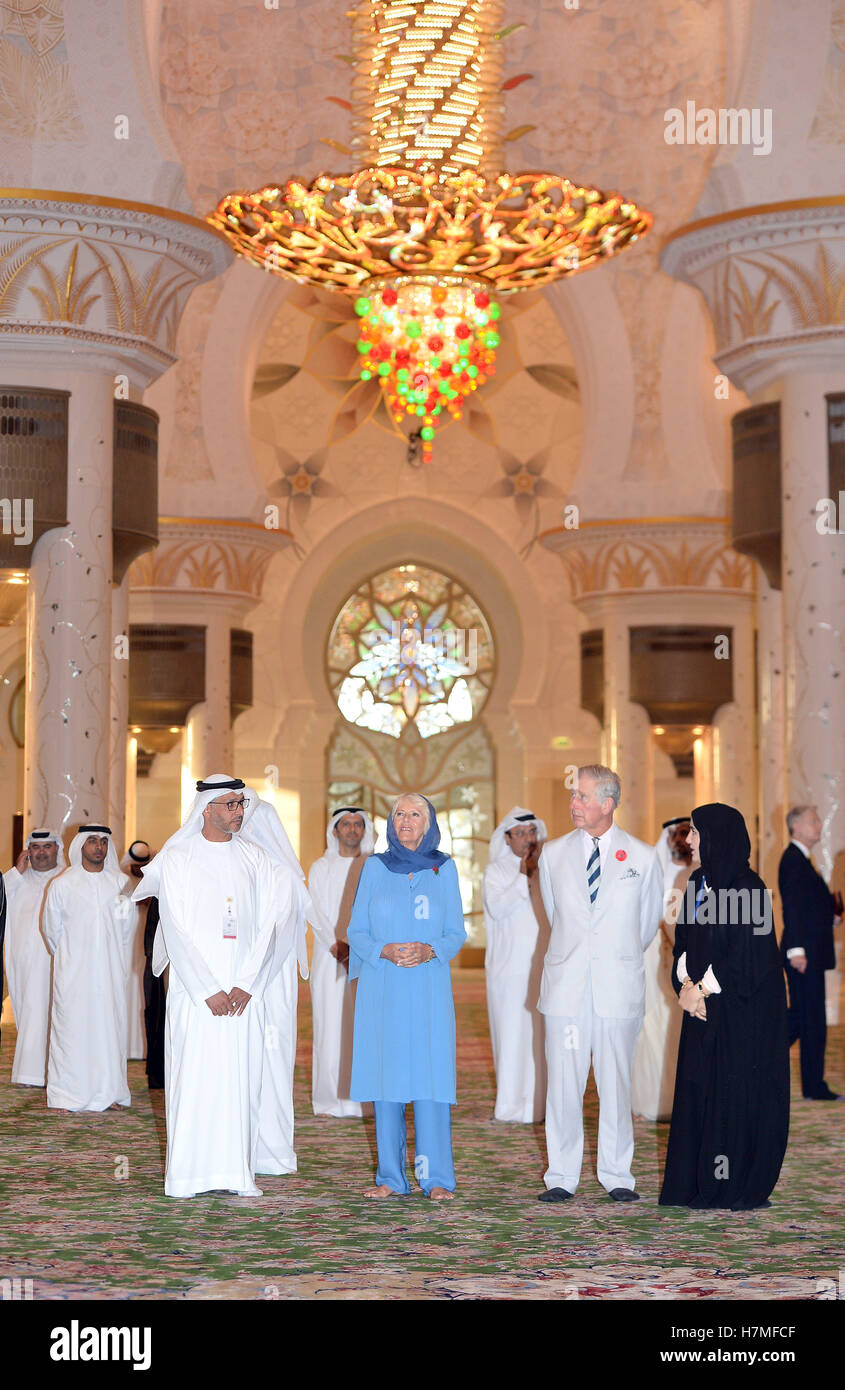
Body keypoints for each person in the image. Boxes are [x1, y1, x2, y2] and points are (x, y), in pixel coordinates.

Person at [132, 775, 293, 1198]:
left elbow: (268, 926)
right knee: (195, 1077)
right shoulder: (178, 857)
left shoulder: (257, 859)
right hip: (194, 993)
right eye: (229, 805)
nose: (239, 812)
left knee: (241, 1080)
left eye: (241, 804)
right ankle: (187, 1177)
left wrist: (245, 984)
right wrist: (207, 988)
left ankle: (237, 1174)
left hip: (243, 995)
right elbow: (177, 930)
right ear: (206, 809)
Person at [537, 765, 662, 1202]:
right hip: (567, 988)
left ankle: (617, 1175)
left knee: (615, 1083)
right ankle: (561, 1176)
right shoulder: (551, 855)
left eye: (583, 797)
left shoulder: (644, 857)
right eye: (573, 796)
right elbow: (557, 916)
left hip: (617, 987)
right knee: (564, 1084)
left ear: (608, 803)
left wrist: (611, 955)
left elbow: (645, 926)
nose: (574, 804)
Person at [660, 803, 790, 1210]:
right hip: (701, 1010)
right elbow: (684, 943)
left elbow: (749, 958)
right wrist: (684, 985)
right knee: (701, 1090)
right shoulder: (696, 883)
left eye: (695, 832)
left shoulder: (750, 889)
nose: (689, 840)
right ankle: (697, 1181)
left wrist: (701, 989)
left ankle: (727, 1182)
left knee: (731, 1094)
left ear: (718, 837)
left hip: (741, 1015)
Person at [347, 793, 466, 1200]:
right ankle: (390, 1179)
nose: (406, 820)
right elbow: (357, 931)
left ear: (430, 822)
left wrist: (430, 950)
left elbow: (456, 932)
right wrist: (382, 950)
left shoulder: (444, 868)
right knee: (388, 1081)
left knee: (430, 1081)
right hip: (383, 987)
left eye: (416, 814)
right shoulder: (375, 868)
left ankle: (435, 1180)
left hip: (429, 985)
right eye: (400, 813)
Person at [42, 825, 136, 1113]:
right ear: (81, 845)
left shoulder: (120, 884)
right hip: (73, 975)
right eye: (92, 841)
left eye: (104, 841)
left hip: (109, 974)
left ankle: (110, 1092)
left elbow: (126, 929)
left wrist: (110, 961)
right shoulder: (62, 884)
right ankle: (64, 1095)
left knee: (109, 1030)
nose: (98, 847)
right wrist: (73, 959)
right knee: (70, 1031)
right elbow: (51, 931)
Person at [240, 794, 309, 1176]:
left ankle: (272, 1151)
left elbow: (281, 934)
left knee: (271, 1059)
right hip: (234, 983)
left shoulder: (284, 876)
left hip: (271, 984)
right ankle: (238, 1148)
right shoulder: (230, 868)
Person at [482, 807, 549, 1123]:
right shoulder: (494, 872)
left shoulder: (550, 870)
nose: (527, 839)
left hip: (545, 967)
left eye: (532, 832)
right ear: (506, 838)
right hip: (508, 971)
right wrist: (524, 873)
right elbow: (498, 907)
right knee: (511, 1037)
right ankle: (510, 1106)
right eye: (520, 833)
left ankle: (539, 1104)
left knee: (541, 1039)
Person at [307, 806, 375, 1118]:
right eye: (345, 824)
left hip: (369, 956)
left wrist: (360, 946)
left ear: (365, 830)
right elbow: (315, 911)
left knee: (363, 1026)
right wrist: (336, 945)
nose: (351, 830)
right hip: (328, 955)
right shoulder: (321, 867)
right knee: (329, 1024)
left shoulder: (375, 867)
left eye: (357, 824)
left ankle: (362, 1100)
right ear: (334, 831)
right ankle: (330, 1099)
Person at [779, 805, 843, 1101]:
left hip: (808, 952)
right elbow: (791, 909)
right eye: (813, 821)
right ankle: (759, 1056)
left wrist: (829, 917)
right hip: (802, 955)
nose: (819, 825)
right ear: (797, 827)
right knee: (807, 1019)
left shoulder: (803, 860)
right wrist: (796, 950)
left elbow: (807, 908)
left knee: (805, 1018)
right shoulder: (793, 860)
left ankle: (812, 1085)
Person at [631, 817, 692, 1122]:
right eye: (677, 834)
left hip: (689, 956)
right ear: (667, 838)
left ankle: (679, 1098)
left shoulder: (698, 874)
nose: (682, 840)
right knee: (653, 1022)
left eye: (687, 833)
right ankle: (653, 1100)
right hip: (655, 954)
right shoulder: (654, 871)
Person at [3, 829, 65, 1086]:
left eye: (47, 846)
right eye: (35, 847)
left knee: (58, 1015)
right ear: (27, 851)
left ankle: (54, 1073)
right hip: (24, 964)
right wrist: (16, 871)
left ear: (58, 850)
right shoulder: (16, 881)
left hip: (58, 962)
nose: (41, 852)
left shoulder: (66, 880)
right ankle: (30, 1073)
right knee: (30, 1013)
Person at [120, 841, 153, 1060]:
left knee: (144, 994)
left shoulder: (153, 880)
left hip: (145, 944)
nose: (138, 870)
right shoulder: (120, 882)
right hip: (126, 946)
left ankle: (142, 1048)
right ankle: (126, 1046)